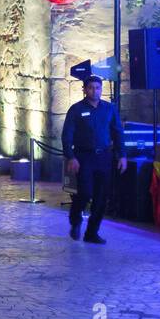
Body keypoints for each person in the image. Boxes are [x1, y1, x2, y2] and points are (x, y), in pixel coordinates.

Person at [62, 74, 126, 245]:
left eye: (97, 88)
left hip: (104, 156)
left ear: (101, 89)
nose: (94, 91)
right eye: (90, 87)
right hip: (84, 157)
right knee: (85, 193)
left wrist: (122, 155)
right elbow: (67, 135)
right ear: (84, 89)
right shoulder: (76, 110)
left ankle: (92, 232)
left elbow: (118, 132)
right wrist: (71, 157)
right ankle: (75, 219)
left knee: (101, 197)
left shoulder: (109, 108)